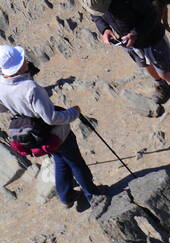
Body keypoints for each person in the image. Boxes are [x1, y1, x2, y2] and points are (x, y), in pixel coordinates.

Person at [0, 45, 99, 210]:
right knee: (76, 163)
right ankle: (93, 195)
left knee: (60, 161)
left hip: (34, 134)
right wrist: (73, 113)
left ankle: (66, 197)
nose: (26, 60)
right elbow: (51, 118)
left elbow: (2, 108)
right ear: (17, 67)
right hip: (55, 133)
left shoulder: (2, 85)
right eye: (22, 59)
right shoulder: (31, 89)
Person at [81, 0, 170, 118]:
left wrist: (135, 33)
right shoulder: (92, 4)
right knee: (145, 65)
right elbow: (96, 16)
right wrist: (105, 30)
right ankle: (162, 85)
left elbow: (153, 14)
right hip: (129, 43)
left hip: (152, 39)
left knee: (166, 73)